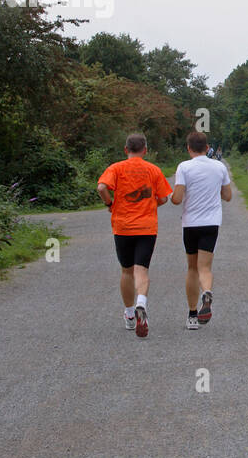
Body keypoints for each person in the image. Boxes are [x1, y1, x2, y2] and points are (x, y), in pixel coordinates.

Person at [97, 132, 172, 338]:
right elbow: (164, 198)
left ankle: (130, 315)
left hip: (122, 227)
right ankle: (141, 303)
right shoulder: (153, 170)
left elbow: (102, 187)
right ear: (145, 150)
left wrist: (109, 203)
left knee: (126, 271)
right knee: (142, 271)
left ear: (126, 149)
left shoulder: (116, 168)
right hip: (147, 228)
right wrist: (150, 204)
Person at [170, 130, 232, 330]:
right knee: (205, 267)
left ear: (188, 148)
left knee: (192, 268)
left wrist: (173, 195)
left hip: (191, 224)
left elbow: (177, 199)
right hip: (211, 223)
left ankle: (192, 315)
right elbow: (228, 196)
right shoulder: (219, 166)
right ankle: (207, 291)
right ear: (207, 148)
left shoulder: (184, 167)